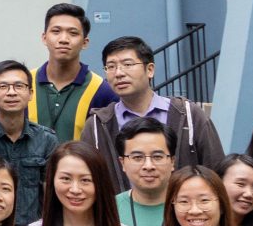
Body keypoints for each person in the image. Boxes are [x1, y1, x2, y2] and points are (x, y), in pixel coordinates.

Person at [80, 35, 223, 168]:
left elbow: (216, 170)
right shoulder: (97, 125)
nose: (119, 73)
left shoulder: (189, 115)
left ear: (150, 70)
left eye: (127, 64)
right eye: (111, 67)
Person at [0, 62, 57, 226]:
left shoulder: (47, 139)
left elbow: (51, 195)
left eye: (19, 86)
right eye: (3, 86)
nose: (11, 92)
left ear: (30, 94)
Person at [33, 4, 105, 143]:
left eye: (73, 33)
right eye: (56, 31)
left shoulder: (101, 90)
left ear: (85, 42)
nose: (63, 39)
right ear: (44, 38)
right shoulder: (24, 84)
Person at [115, 119, 180, 226]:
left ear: (172, 161)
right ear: (122, 163)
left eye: (157, 157)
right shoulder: (109, 210)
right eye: (137, 157)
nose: (148, 166)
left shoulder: (189, 208)